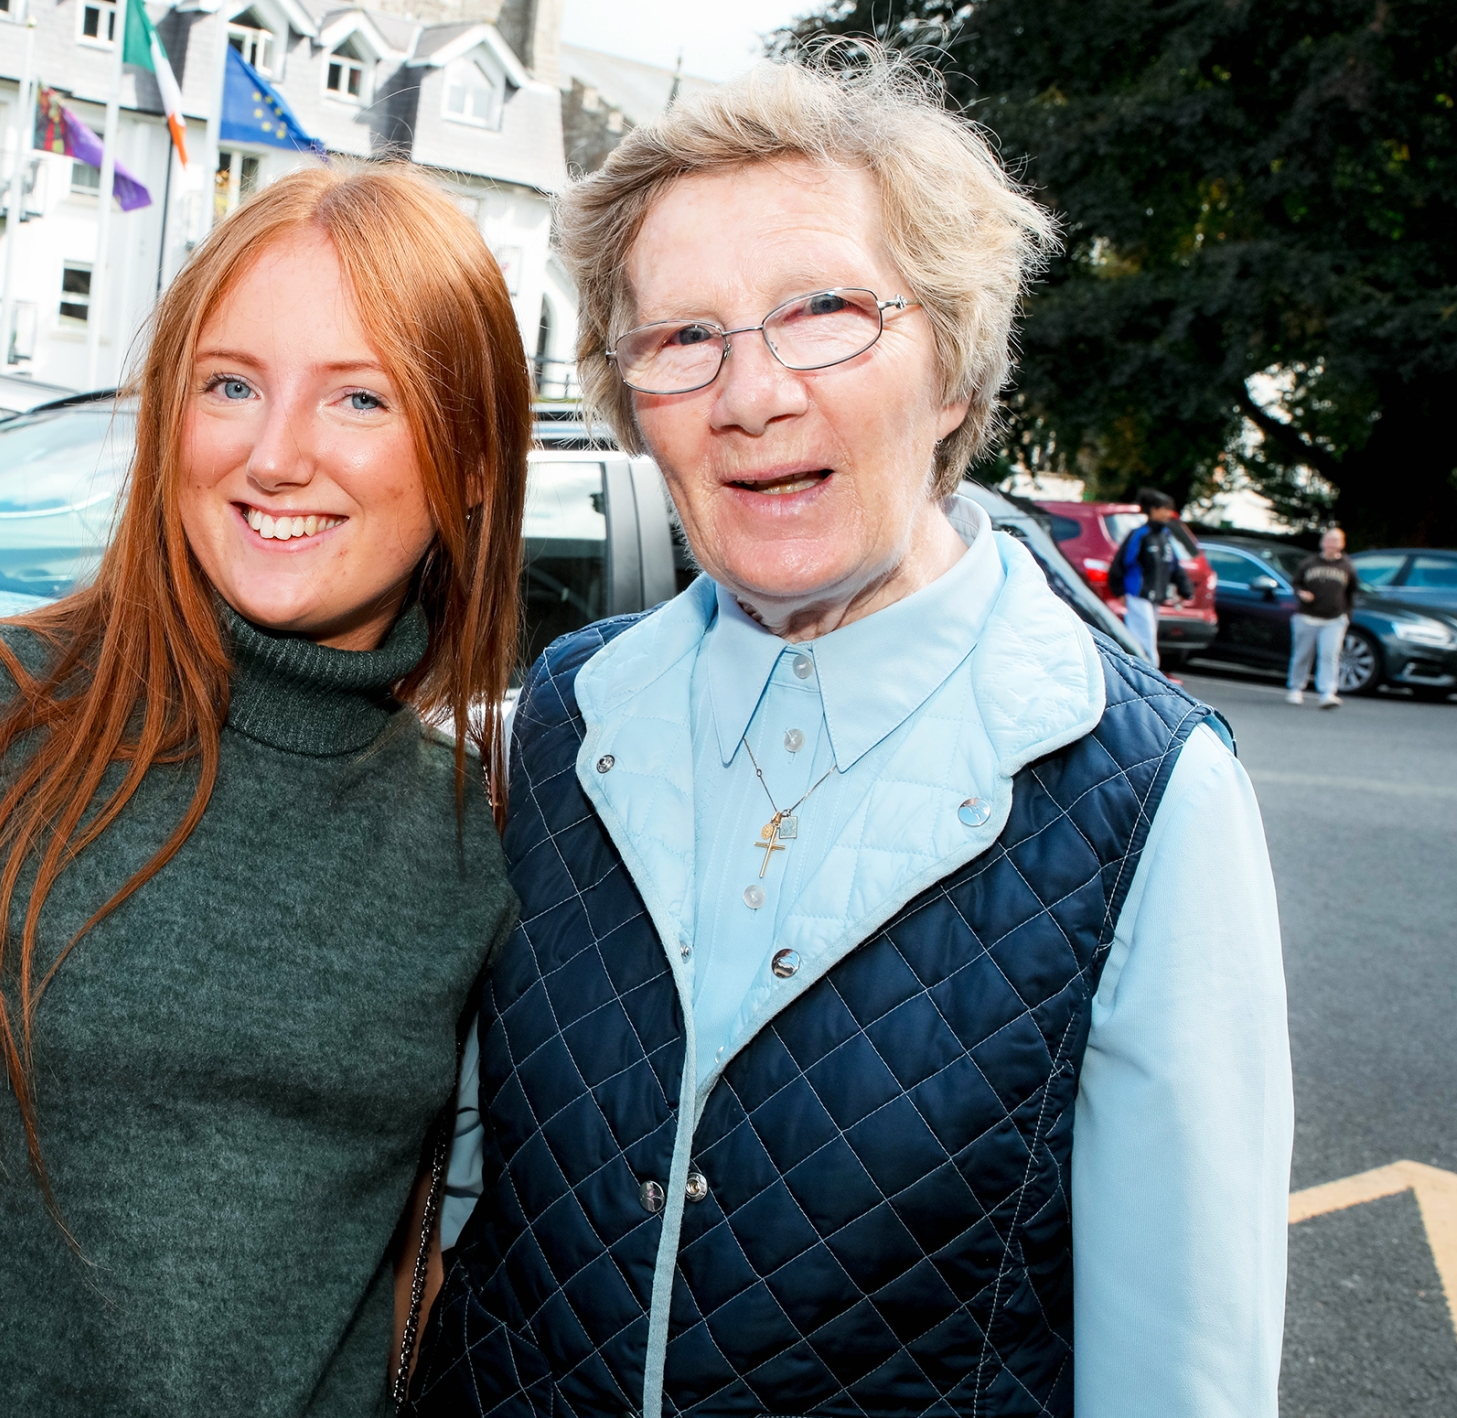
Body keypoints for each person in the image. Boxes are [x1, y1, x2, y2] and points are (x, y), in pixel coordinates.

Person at [412, 47, 1291, 1418]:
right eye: (682, 335)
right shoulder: (564, 720)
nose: (750, 392)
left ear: (952, 367)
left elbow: (1181, 1376)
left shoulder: (1145, 793)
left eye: (822, 309)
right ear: (632, 396)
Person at [0, 164, 529, 1417]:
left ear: (477, 460)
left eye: (360, 396)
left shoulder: (469, 826)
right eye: (230, 384)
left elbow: (400, 1269)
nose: (274, 454)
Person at [1114, 488, 1196, 666]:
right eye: (1164, 509)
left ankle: (1144, 671)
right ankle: (1148, 673)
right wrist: (1119, 589)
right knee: (1145, 638)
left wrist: (1184, 588)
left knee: (1149, 636)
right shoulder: (1140, 535)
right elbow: (1121, 562)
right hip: (1138, 595)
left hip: (1155, 597)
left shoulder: (1164, 537)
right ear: (1153, 510)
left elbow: (1173, 565)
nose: (1168, 513)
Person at [1287, 527, 1359, 708]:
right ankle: (1296, 688)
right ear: (1322, 542)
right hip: (1307, 616)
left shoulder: (1347, 566)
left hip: (1334, 619)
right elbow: (1296, 583)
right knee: (1302, 654)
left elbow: (1352, 592)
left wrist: (1347, 615)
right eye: (1329, 540)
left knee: (1329, 655)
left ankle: (1328, 692)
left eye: (1336, 541)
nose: (1332, 544)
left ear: (1342, 544)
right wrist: (1301, 594)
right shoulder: (1310, 563)